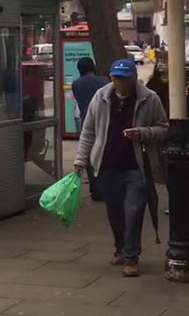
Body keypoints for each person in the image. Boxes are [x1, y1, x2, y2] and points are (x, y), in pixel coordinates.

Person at [73, 58, 168, 277]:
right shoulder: (101, 97)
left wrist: (143, 133)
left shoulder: (149, 98)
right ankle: (120, 247)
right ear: (111, 78)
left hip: (137, 166)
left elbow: (163, 127)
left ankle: (131, 257)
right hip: (108, 165)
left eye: (124, 79)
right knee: (115, 212)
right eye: (116, 79)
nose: (120, 84)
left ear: (133, 78)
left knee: (133, 212)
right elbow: (88, 131)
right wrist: (80, 160)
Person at [71, 57, 111, 202]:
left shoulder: (76, 84)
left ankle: (95, 189)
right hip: (104, 122)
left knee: (89, 155)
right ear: (93, 67)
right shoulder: (104, 81)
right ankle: (107, 188)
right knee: (105, 153)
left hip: (86, 121)